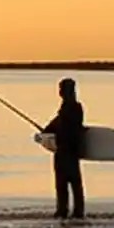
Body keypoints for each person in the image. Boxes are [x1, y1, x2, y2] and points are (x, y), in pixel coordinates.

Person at [42, 78, 86, 219]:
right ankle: (65, 210)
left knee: (70, 184)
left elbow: (62, 126)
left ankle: (72, 211)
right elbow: (52, 127)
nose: (60, 92)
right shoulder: (67, 108)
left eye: (61, 89)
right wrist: (46, 132)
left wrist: (50, 131)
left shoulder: (73, 108)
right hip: (66, 152)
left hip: (68, 151)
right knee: (64, 184)